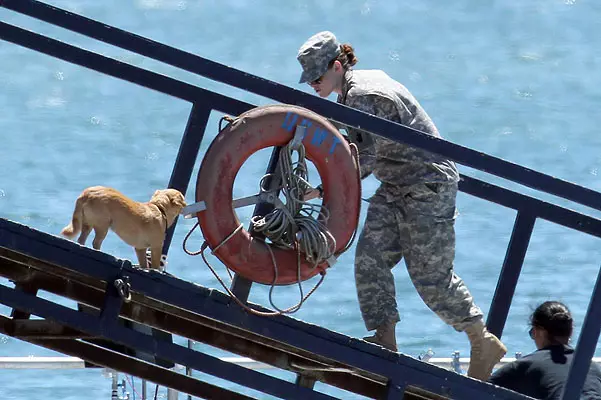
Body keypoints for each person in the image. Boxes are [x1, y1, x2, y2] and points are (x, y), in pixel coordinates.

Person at [297, 31, 506, 381]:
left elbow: (363, 159)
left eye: (317, 78)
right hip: (397, 184)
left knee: (430, 278)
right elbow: (360, 148)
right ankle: (385, 339)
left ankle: (480, 340)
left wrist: (319, 190)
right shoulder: (358, 86)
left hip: (427, 186)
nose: (313, 85)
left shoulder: (363, 94)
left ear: (336, 66)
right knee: (369, 259)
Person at [489, 301, 601, 399]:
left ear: (539, 332)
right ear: (570, 332)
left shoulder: (527, 365)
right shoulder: (594, 367)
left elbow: (479, 391)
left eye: (532, 332)